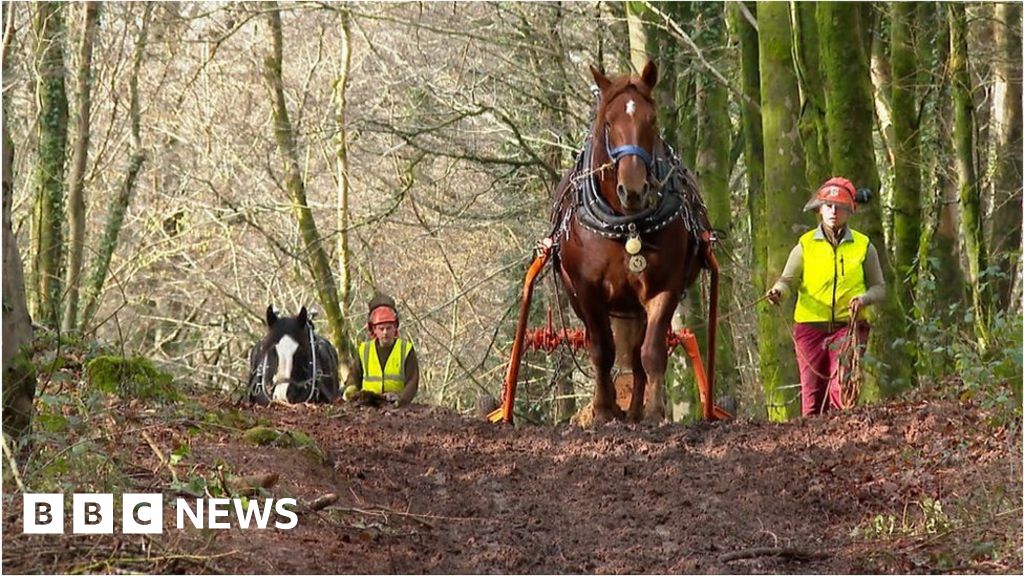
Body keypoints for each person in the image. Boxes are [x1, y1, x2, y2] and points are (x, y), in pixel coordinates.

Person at [766, 177, 886, 416]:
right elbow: (788, 280)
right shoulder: (805, 245)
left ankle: (842, 445)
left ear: (849, 210)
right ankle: (812, 448)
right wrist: (778, 292)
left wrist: (864, 299)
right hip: (810, 330)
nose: (834, 211)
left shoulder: (864, 246)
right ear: (819, 209)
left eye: (840, 207)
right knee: (812, 400)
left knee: (842, 393)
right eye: (829, 206)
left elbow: (880, 287)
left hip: (849, 328)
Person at [342, 294, 420, 407]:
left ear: (395, 328)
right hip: (368, 405)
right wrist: (351, 389)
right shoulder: (364, 350)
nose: (385, 332)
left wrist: (401, 400)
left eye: (389, 328)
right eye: (381, 328)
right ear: (374, 329)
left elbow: (413, 380)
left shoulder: (405, 349)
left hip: (394, 404)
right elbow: (354, 375)